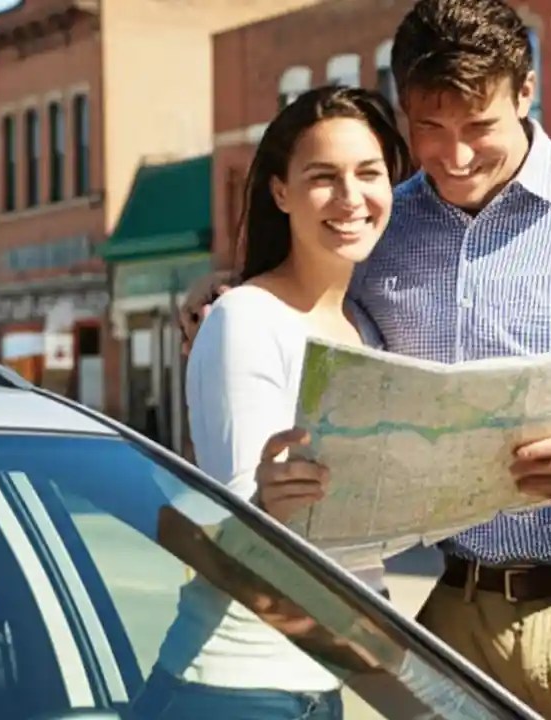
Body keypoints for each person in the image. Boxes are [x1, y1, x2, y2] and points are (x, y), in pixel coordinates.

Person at [176, 1, 551, 717]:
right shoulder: (385, 225)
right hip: (456, 609)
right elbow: (306, 299)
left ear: (526, 93)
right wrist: (230, 293)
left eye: (478, 127)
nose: (453, 158)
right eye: (429, 128)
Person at [129, 85, 411, 720]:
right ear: (280, 193)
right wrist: (265, 501)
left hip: (320, 685)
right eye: (322, 177)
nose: (350, 198)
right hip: (232, 687)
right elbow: (234, 529)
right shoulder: (244, 320)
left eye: (369, 173)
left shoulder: (367, 327)